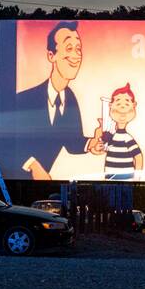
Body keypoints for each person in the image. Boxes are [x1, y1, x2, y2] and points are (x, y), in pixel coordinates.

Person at [10, 22, 102, 179]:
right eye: (69, 48)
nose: (76, 55)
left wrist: (91, 143)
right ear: (51, 56)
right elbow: (9, 142)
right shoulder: (23, 100)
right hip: (15, 177)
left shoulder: (70, 98)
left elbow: (72, 142)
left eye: (78, 49)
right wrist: (32, 165)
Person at [100, 84, 143, 179]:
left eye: (127, 104)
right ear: (110, 106)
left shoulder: (127, 138)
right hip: (110, 180)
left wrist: (137, 178)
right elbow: (104, 149)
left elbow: (138, 157)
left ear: (134, 106)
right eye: (118, 104)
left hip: (126, 180)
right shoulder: (111, 136)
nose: (122, 108)